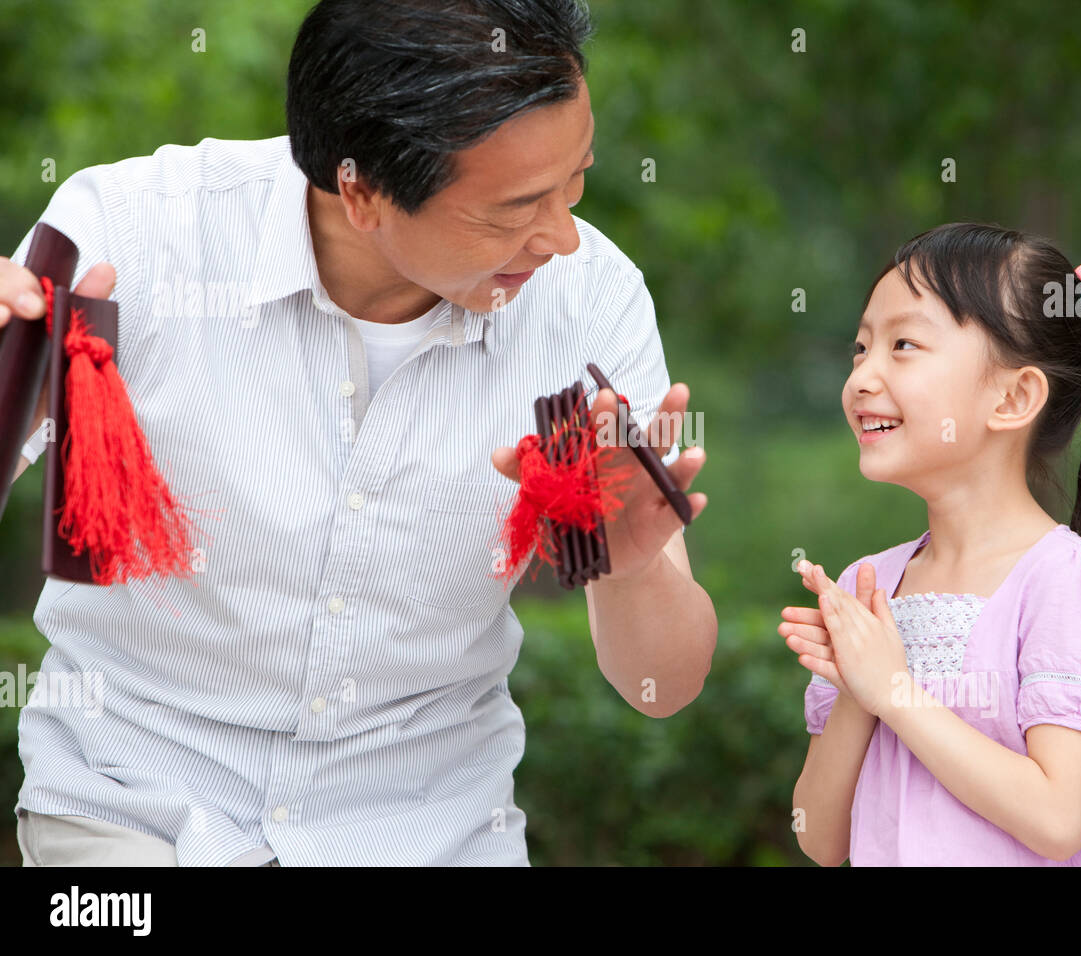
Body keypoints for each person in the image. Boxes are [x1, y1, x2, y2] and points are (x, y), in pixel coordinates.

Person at [1, 0, 716, 866]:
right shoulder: (135, 233)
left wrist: (633, 566)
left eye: (576, 184)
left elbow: (662, 690)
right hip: (132, 807)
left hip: (431, 834)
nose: (561, 238)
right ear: (361, 189)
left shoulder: (591, 303)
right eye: (514, 209)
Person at [781, 221, 1081, 866]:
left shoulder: (1067, 581)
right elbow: (820, 839)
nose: (861, 377)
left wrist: (893, 691)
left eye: (903, 344)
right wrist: (858, 688)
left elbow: (1057, 818)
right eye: (860, 347)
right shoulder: (867, 587)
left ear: (1014, 397)